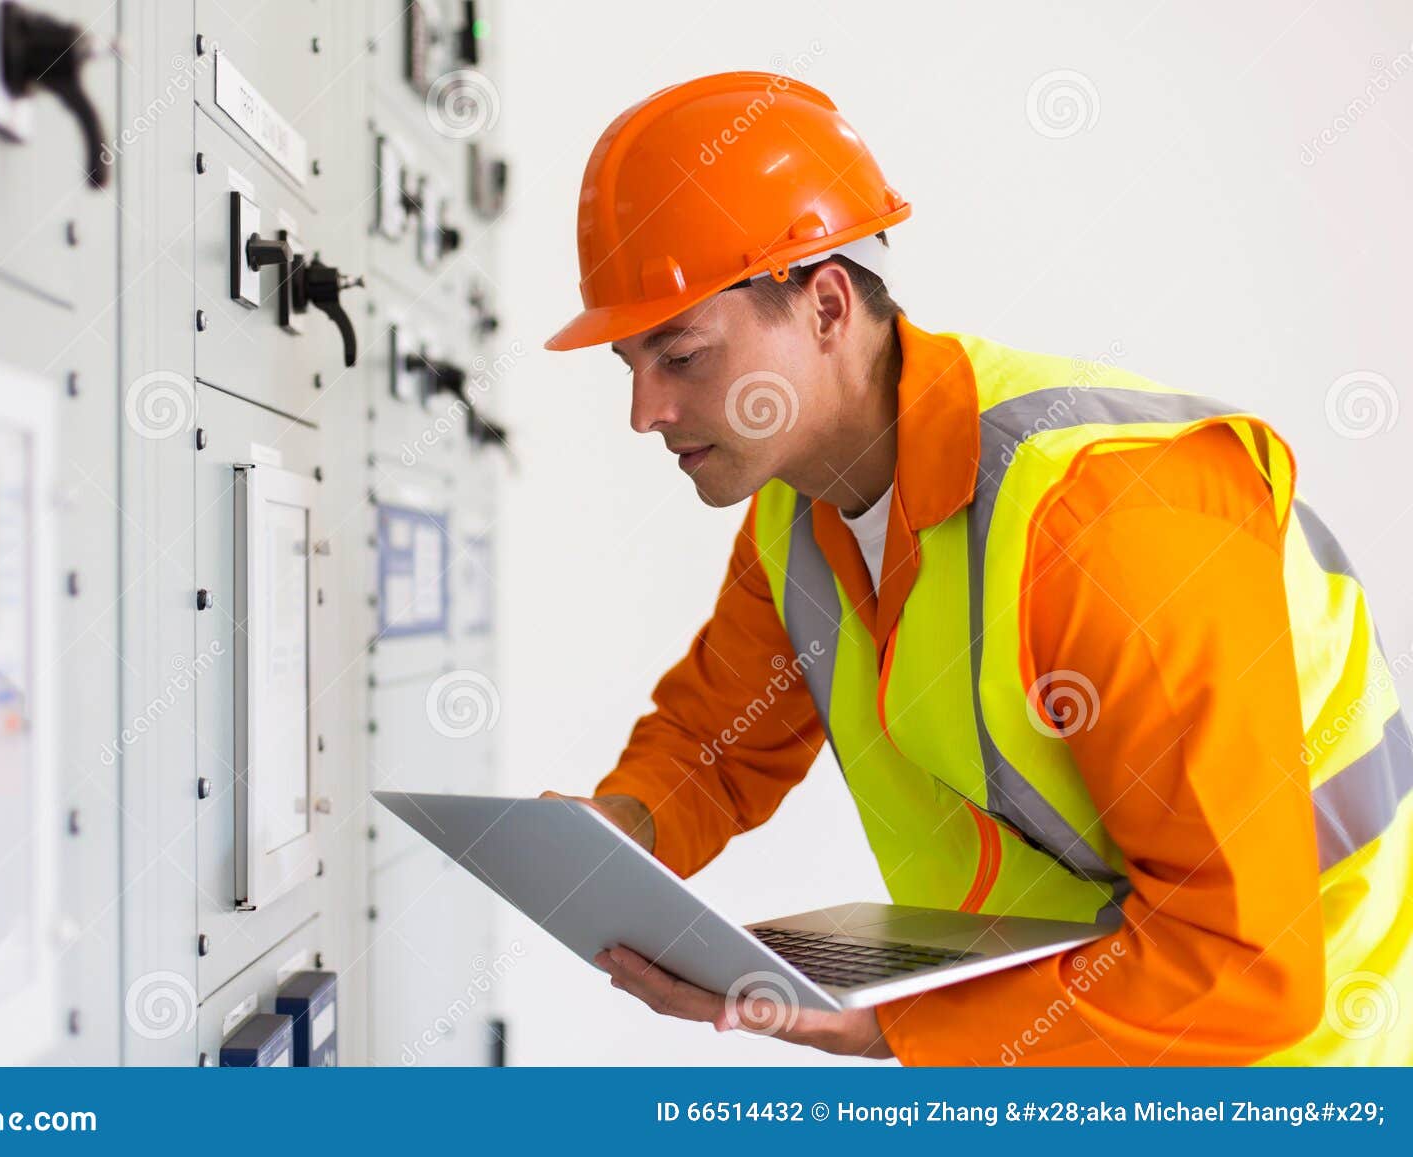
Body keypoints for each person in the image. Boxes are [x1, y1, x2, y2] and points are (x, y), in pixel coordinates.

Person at [539, 72, 1412, 1065]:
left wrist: (888, 1023)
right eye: (629, 366)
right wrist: (620, 834)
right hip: (1061, 1041)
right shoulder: (796, 513)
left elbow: (1242, 967)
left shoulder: (1105, 514)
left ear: (825, 305)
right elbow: (715, 742)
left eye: (683, 356)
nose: (645, 412)